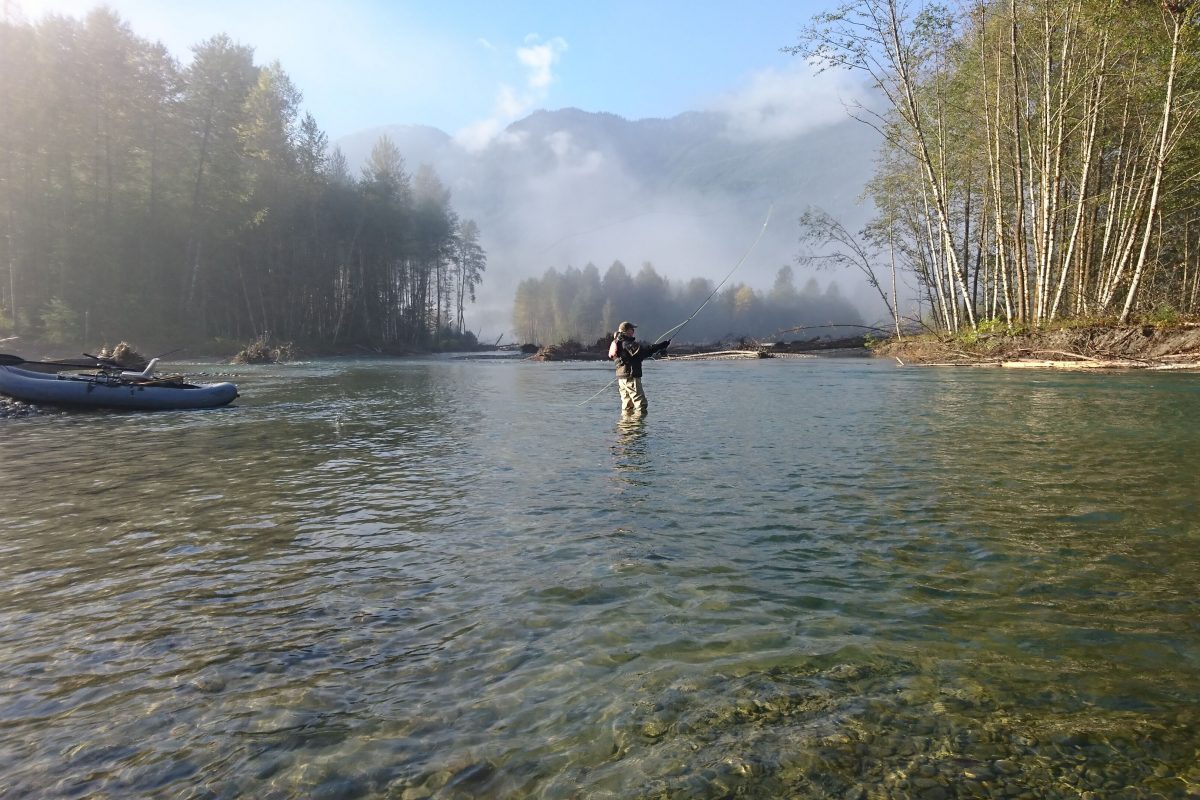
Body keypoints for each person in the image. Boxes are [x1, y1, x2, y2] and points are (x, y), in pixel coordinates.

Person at [607, 321, 669, 415]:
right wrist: (661, 345)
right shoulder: (627, 343)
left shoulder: (618, 342)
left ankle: (626, 423)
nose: (633, 331)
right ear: (627, 331)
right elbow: (643, 351)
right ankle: (639, 424)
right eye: (632, 329)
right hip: (630, 377)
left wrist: (658, 349)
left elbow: (638, 355)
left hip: (622, 378)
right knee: (641, 404)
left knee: (627, 405)